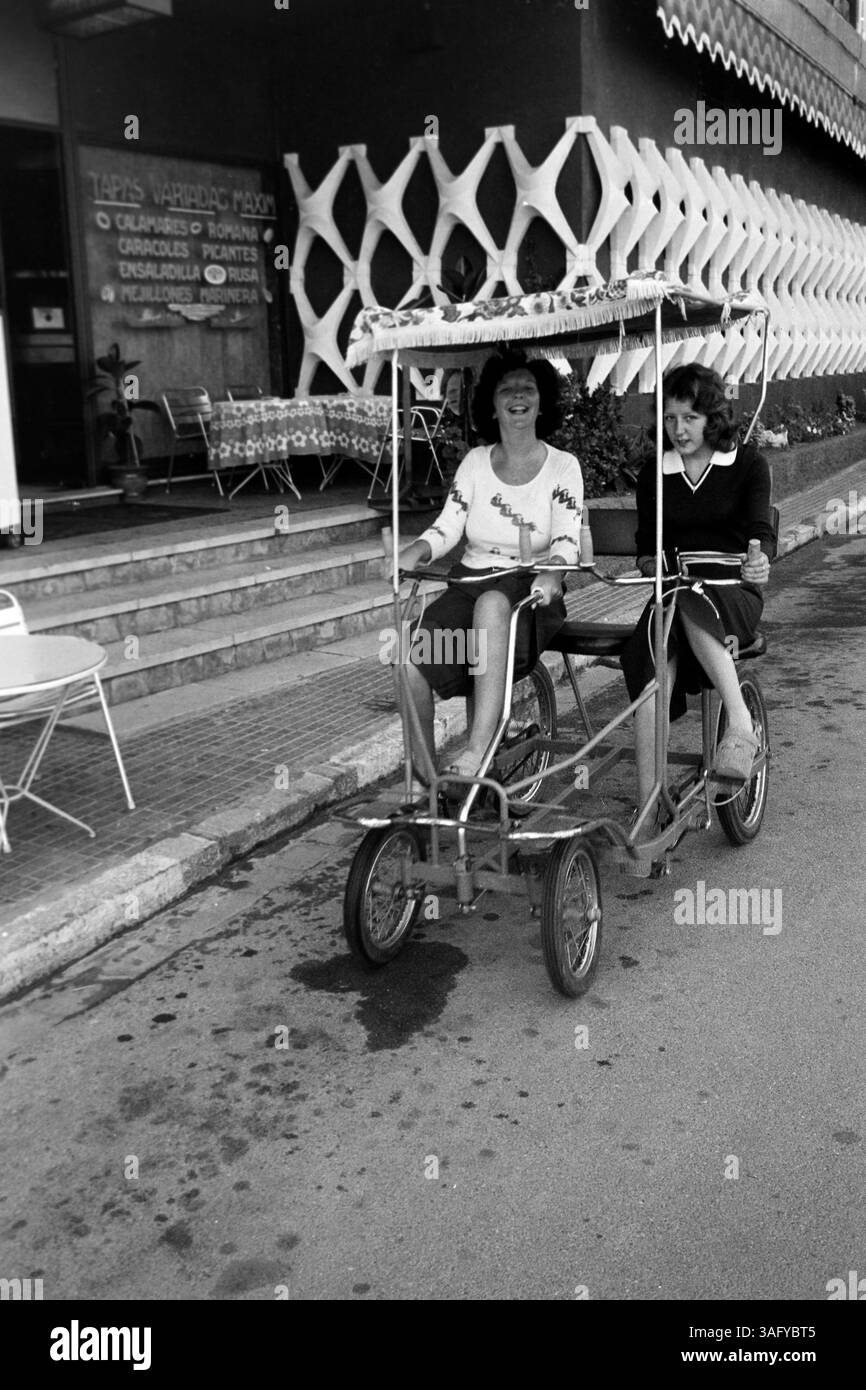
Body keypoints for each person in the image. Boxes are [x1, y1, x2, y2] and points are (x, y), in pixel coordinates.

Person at [386, 350, 583, 782]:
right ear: (491, 405)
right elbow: (447, 527)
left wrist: (553, 572)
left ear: (542, 401)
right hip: (469, 586)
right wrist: (416, 550)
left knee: (493, 603)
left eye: (527, 388)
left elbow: (567, 539)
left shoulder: (563, 467)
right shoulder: (476, 462)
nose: (517, 397)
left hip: (530, 596)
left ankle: (476, 752)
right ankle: (427, 782)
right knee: (407, 656)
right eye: (506, 389)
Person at [619, 363, 775, 820]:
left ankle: (741, 726)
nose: (678, 429)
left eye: (689, 418)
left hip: (733, 594)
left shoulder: (747, 463)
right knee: (648, 657)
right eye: (669, 418)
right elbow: (646, 548)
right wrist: (653, 564)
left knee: (690, 598)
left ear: (712, 417)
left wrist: (760, 558)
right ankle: (649, 800)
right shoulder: (655, 471)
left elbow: (761, 531)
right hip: (674, 592)